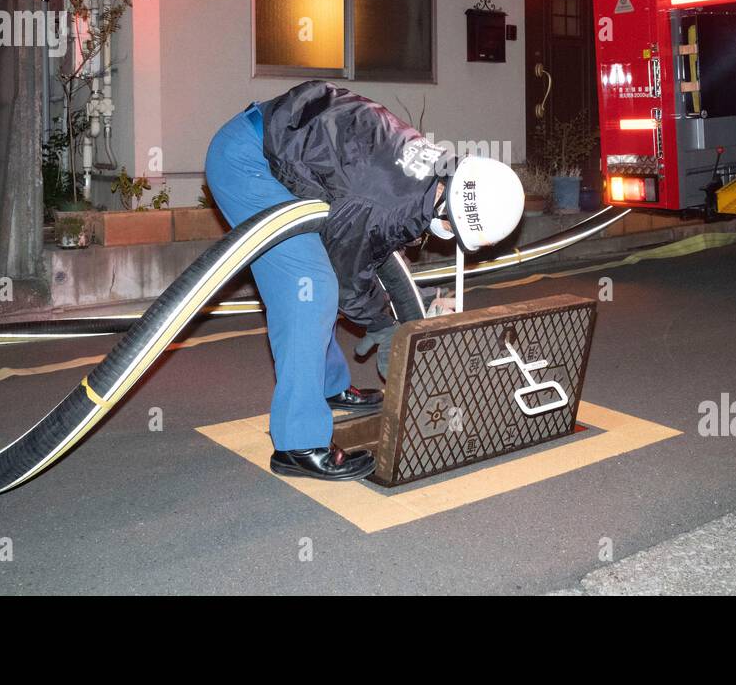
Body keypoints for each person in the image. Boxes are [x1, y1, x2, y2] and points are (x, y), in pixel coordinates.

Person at [204, 80, 525, 482]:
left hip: (280, 148)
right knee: (311, 286)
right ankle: (297, 444)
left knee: (317, 280)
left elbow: (375, 246)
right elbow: (349, 276)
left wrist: (414, 306)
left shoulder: (427, 172)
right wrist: (387, 324)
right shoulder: (382, 201)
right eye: (453, 230)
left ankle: (328, 387)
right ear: (453, 214)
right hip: (247, 163)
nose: (447, 236)